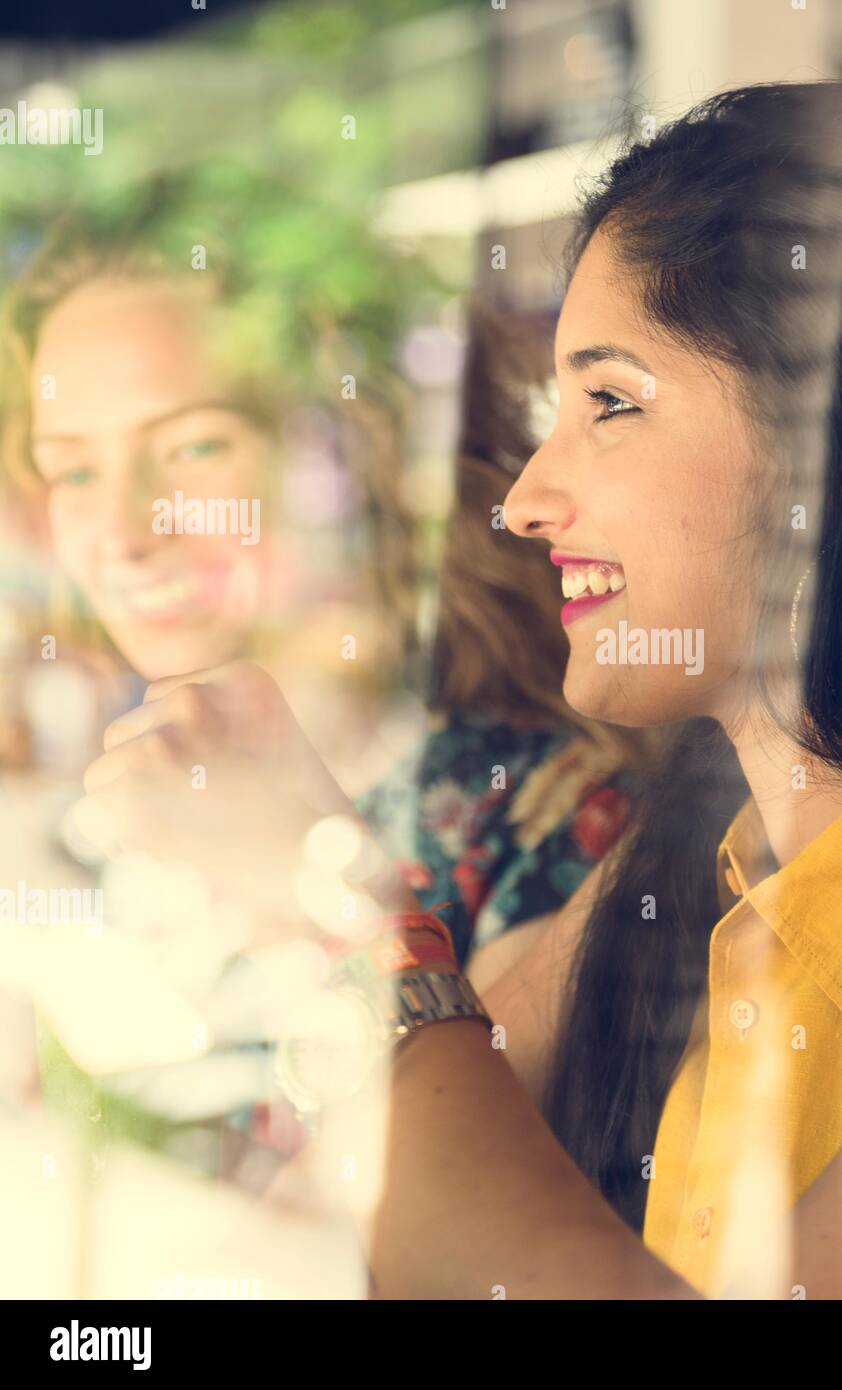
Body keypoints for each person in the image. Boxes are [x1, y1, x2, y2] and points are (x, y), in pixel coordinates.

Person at [72, 81, 842, 1297]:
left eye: (612, 402)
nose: (525, 500)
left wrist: (325, 904)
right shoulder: (704, 855)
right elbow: (350, 1216)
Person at [0, 170, 642, 1196]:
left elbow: (486, 1228)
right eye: (73, 467)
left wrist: (308, 882)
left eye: (196, 445)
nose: (122, 528)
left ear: (358, 453)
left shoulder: (550, 824)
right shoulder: (121, 793)